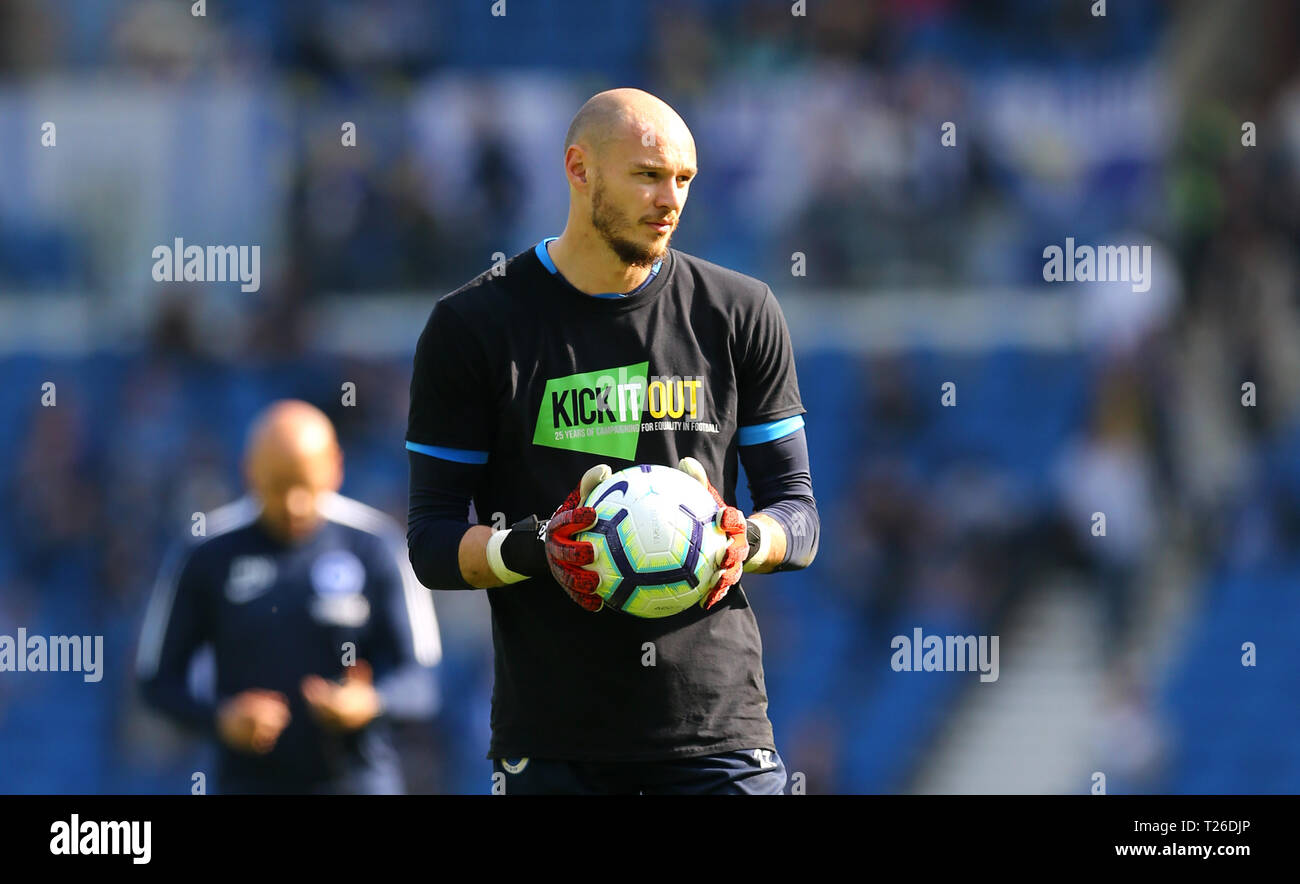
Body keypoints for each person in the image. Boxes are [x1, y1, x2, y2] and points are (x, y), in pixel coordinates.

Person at [405, 88, 819, 795]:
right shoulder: (474, 326)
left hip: (717, 739)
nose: (670, 199)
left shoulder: (740, 311)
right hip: (553, 745)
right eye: (648, 175)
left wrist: (742, 539)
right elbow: (433, 541)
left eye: (684, 179)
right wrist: (539, 548)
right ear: (579, 168)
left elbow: (799, 517)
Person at [137, 400, 441, 794]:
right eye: (279, 485)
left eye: (306, 484)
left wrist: (369, 702)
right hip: (247, 783)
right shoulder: (205, 553)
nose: (294, 503)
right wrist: (222, 719)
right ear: (250, 472)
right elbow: (155, 679)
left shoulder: (374, 545)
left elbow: (422, 680)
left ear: (335, 466)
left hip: (356, 780)